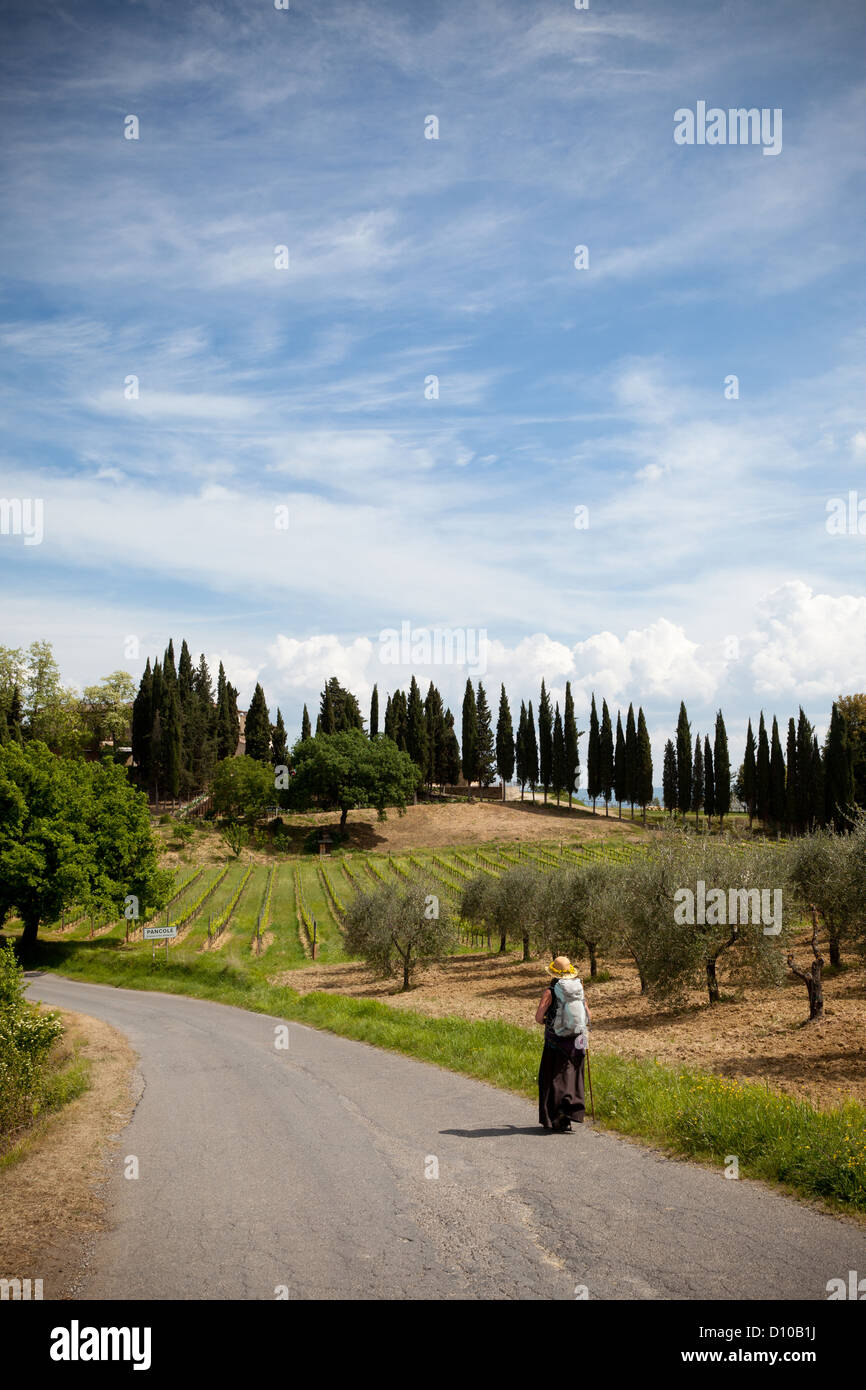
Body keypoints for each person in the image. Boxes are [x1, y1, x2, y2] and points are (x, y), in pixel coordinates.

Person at [535, 955, 590, 1132]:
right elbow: (589, 1016)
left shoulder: (550, 991)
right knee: (571, 1079)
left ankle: (553, 1119)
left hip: (555, 1041)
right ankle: (569, 1116)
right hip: (576, 1042)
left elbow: (538, 1018)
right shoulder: (579, 990)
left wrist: (547, 1022)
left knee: (551, 1078)